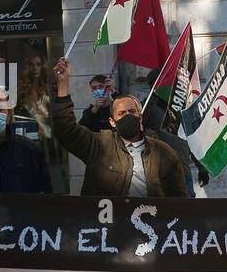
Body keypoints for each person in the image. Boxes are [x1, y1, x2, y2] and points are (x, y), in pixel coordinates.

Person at [50, 58, 187, 197]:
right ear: (112, 121)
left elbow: (179, 202)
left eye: (132, 112)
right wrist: (62, 85)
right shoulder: (100, 145)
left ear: (140, 116)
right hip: (108, 218)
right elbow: (66, 129)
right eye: (121, 113)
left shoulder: (164, 153)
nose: (127, 116)